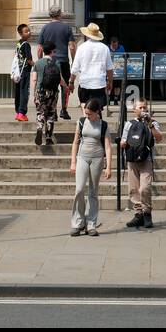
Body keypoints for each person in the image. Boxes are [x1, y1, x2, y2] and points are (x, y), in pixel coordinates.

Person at [69, 98, 112, 237]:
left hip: (97, 158)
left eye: (90, 114)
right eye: (86, 113)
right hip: (82, 157)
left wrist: (109, 167)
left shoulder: (103, 125)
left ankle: (91, 224)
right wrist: (73, 162)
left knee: (93, 192)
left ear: (97, 112)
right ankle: (78, 222)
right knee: (79, 189)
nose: (87, 116)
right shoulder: (81, 122)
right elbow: (75, 142)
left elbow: (108, 147)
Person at [121, 98, 161, 229]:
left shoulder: (153, 123)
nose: (143, 110)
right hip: (132, 159)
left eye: (145, 108)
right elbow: (123, 139)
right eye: (140, 108)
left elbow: (159, 138)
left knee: (145, 187)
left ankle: (147, 213)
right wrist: (122, 144)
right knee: (133, 189)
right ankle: (138, 214)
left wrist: (150, 124)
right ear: (134, 110)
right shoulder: (129, 124)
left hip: (146, 159)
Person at [38, 5, 76, 120]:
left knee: (51, 86)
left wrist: (40, 61)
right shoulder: (67, 28)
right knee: (65, 86)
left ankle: (52, 110)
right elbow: (72, 46)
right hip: (63, 60)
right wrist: (74, 60)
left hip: (49, 62)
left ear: (50, 15)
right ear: (60, 14)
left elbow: (39, 48)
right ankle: (64, 110)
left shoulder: (44, 28)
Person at [72, 22, 114, 111]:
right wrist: (110, 82)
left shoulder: (81, 47)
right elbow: (109, 68)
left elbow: (75, 68)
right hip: (99, 83)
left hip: (85, 82)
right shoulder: (105, 48)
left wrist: (71, 82)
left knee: (85, 106)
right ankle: (97, 123)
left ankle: (86, 122)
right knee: (97, 108)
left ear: (87, 35)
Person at [31, 44, 65, 146]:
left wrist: (34, 93)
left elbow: (34, 79)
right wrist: (67, 87)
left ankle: (40, 128)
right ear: (52, 52)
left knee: (40, 112)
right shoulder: (56, 63)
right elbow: (61, 80)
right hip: (53, 92)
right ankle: (49, 137)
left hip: (40, 91)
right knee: (51, 113)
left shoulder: (37, 63)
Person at [11, 22, 32, 122]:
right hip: (25, 71)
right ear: (21, 33)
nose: (29, 32)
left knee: (18, 91)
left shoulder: (19, 43)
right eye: (26, 31)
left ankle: (18, 112)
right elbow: (28, 59)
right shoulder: (26, 44)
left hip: (18, 72)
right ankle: (22, 113)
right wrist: (35, 65)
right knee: (24, 91)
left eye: (29, 30)